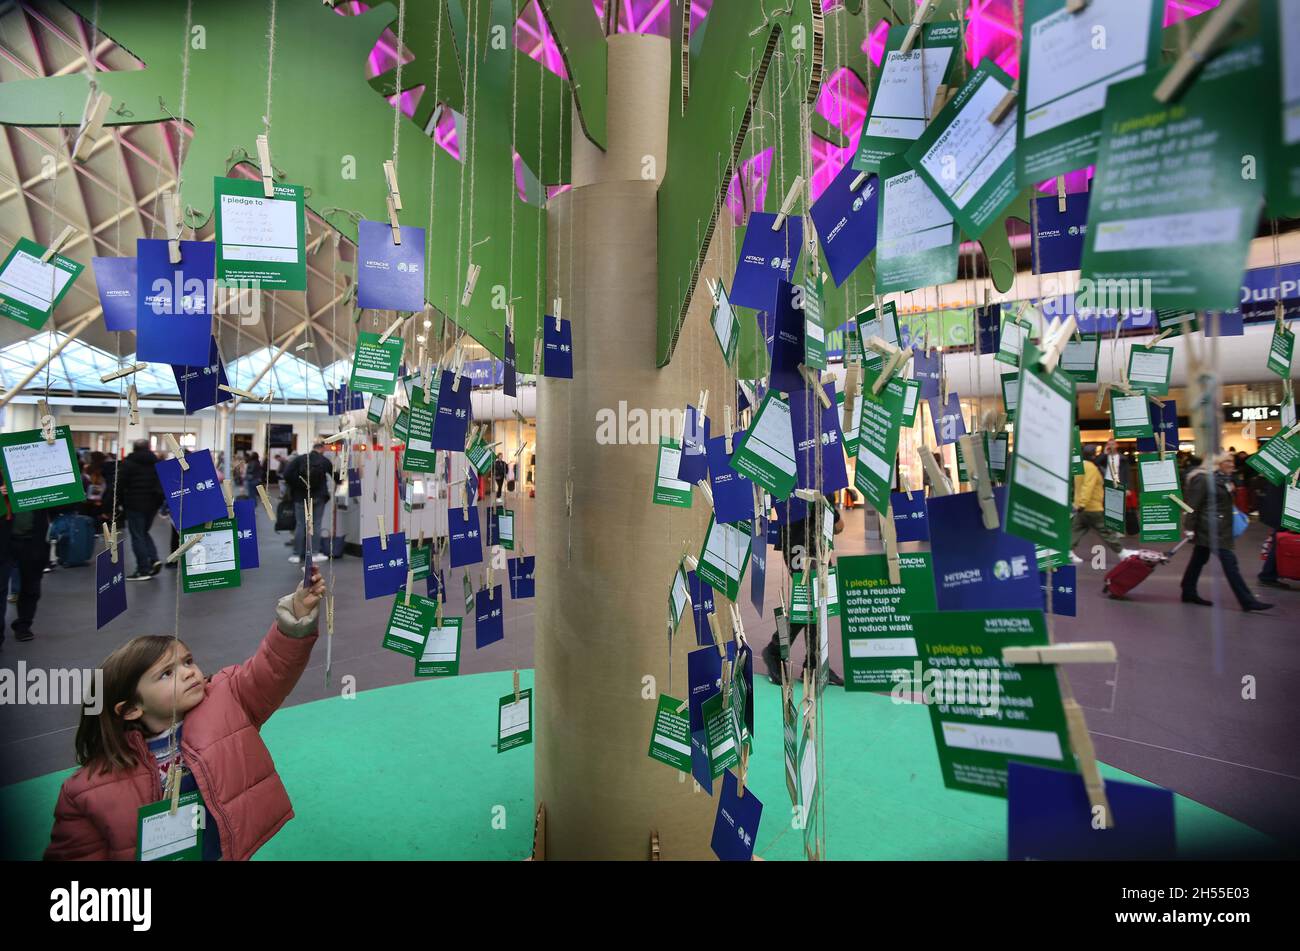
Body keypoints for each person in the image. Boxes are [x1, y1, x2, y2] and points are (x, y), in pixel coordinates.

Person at [44, 570, 326, 860]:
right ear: (130, 709)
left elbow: (271, 670)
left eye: (188, 661)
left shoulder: (228, 699)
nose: (189, 672)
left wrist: (295, 617)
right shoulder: (87, 791)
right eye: (167, 674)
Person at [761, 502, 845, 687]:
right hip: (801, 546)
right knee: (807, 604)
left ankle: (814, 663)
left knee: (816, 604)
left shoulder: (817, 481)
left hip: (814, 546)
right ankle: (775, 650)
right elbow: (838, 526)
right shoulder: (814, 480)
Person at [1180, 452, 1273, 612]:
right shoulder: (1203, 479)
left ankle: (1188, 590)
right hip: (1211, 529)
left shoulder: (1222, 479)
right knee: (1230, 563)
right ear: (1217, 463)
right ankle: (1247, 601)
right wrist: (1189, 528)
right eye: (1228, 461)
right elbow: (1192, 506)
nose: (1232, 464)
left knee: (1198, 559)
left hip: (1218, 527)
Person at [0, 486, 51, 645]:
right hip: (4, 539)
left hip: (33, 539)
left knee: (31, 586)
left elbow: (61, 502)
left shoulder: (37, 474)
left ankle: (23, 625)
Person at [1069, 445, 1130, 563]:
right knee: (1105, 531)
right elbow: (1088, 486)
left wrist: (1077, 504)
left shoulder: (1079, 467)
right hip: (1091, 507)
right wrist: (1083, 503)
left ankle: (1068, 551)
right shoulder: (1091, 468)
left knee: (1076, 530)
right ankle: (1122, 552)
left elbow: (1075, 486)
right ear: (1093, 454)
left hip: (1080, 507)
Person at [116, 440, 165, 581]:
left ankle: (143, 569)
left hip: (134, 504)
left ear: (134, 448)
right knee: (144, 532)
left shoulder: (128, 463)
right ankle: (153, 559)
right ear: (149, 448)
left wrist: (115, 503)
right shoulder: (157, 463)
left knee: (137, 535)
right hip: (152, 505)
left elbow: (119, 484)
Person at [283, 441, 335, 564]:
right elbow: (337, 476)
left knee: (301, 525)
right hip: (318, 497)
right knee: (316, 524)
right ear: (322, 448)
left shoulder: (299, 459)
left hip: (301, 497)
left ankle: (296, 554)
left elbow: (286, 474)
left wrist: (298, 486)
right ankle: (315, 553)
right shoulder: (324, 461)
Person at [1256, 479, 1290, 590]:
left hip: (1280, 509)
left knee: (1279, 541)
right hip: (1286, 511)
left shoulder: (1282, 469)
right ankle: (1267, 576)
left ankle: (1268, 574)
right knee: (1279, 543)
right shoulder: (1293, 470)